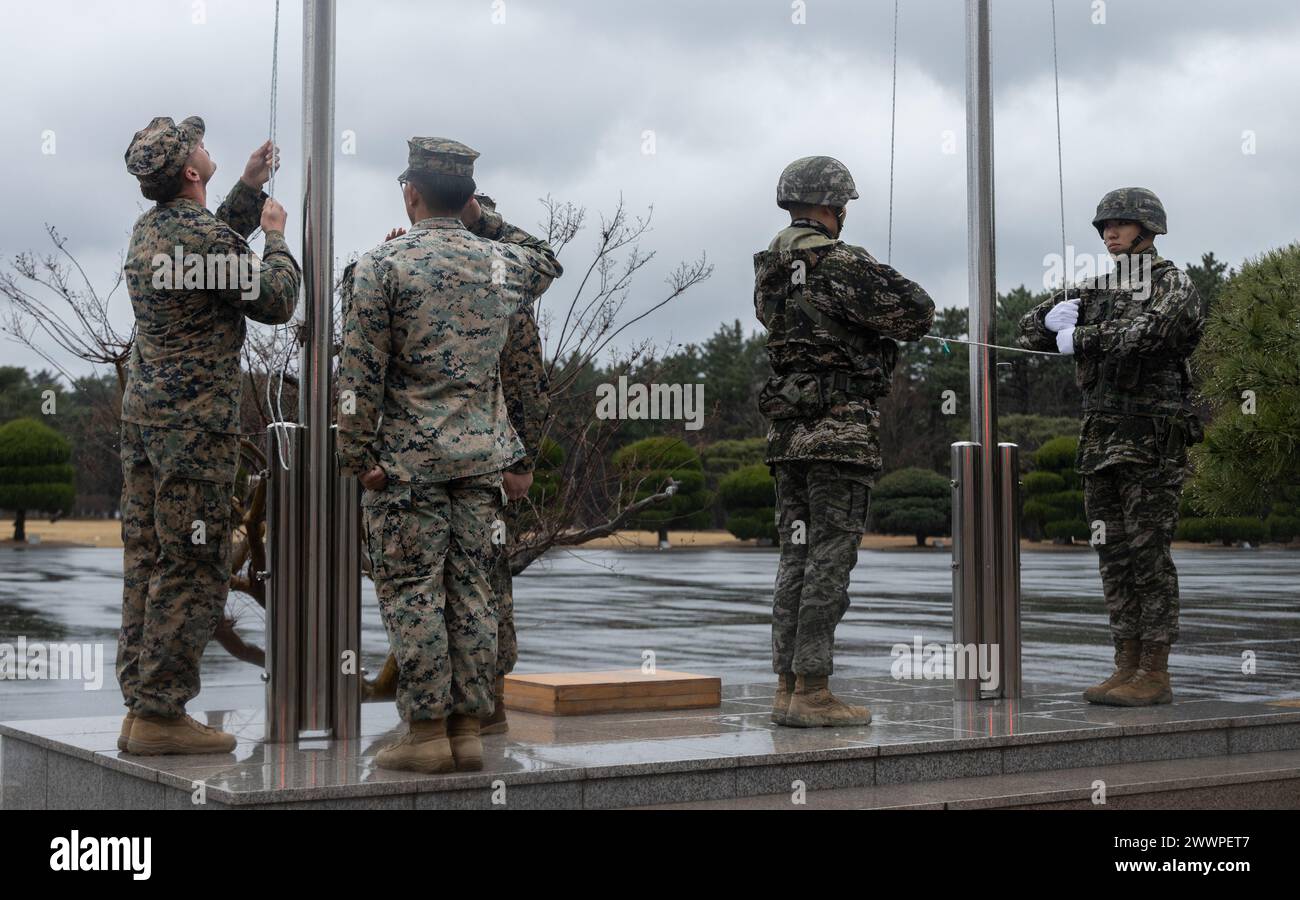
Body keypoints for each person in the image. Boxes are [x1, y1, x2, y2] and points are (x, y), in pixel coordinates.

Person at [336, 138, 560, 772]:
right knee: (472, 594)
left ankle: (427, 732)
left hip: (407, 466)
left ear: (410, 193)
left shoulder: (382, 266)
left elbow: (357, 378)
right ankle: (467, 726)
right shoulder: (501, 264)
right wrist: (481, 221)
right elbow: (547, 258)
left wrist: (356, 455)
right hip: (483, 464)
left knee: (412, 592)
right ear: (468, 196)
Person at [118, 116, 300, 754]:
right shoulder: (200, 239)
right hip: (192, 433)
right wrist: (274, 236)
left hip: (144, 426)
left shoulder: (152, 230)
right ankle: (162, 714)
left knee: (146, 560)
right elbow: (276, 299)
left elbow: (210, 246)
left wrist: (248, 189)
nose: (204, 143)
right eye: (197, 143)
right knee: (192, 564)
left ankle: (140, 704)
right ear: (192, 172)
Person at [754, 155, 935, 727]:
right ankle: (813, 692)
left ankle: (787, 688)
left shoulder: (769, 265)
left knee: (795, 558)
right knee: (830, 560)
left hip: (788, 434)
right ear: (833, 206)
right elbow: (918, 312)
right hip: (839, 433)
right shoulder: (841, 262)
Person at [1018, 187, 1206, 706]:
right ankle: (1125, 663)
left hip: (1150, 444)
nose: (1109, 234)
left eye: (1119, 225)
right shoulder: (1095, 287)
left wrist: (1084, 336)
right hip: (1100, 444)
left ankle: (1155, 670)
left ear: (1147, 230)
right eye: (1104, 227)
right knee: (1114, 559)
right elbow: (1030, 326)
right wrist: (1048, 324)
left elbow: (1152, 332)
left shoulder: (1173, 283)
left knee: (1149, 558)